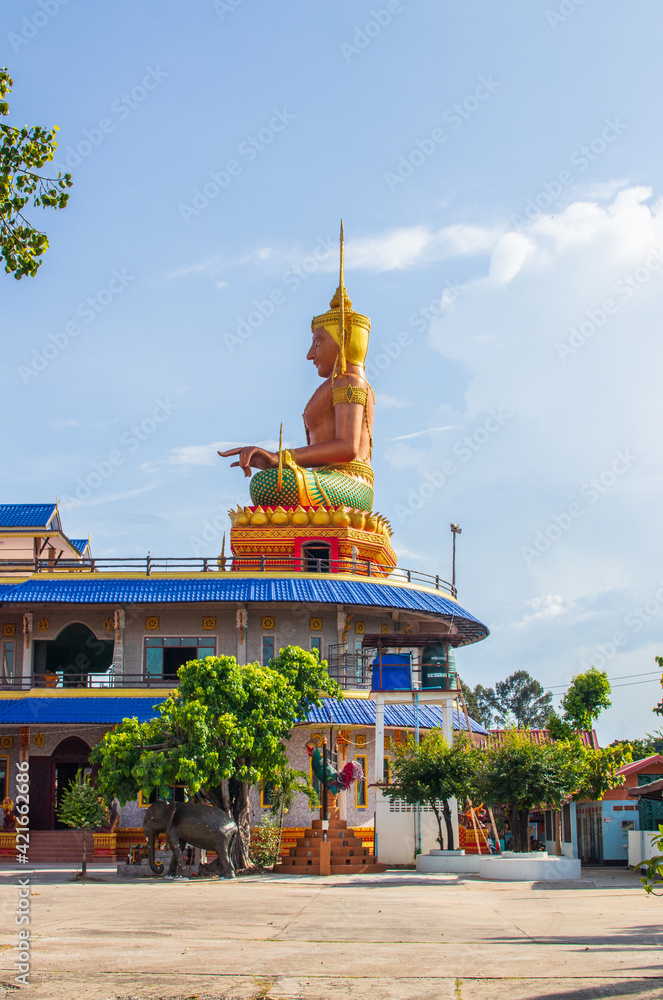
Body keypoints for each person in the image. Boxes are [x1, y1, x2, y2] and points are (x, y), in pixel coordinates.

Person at [219, 225, 375, 512]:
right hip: (326, 477)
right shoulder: (334, 384)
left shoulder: (350, 382)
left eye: (317, 343)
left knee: (269, 485)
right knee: (269, 483)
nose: (309, 354)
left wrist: (281, 458)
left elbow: (348, 449)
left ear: (342, 340)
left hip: (351, 481)